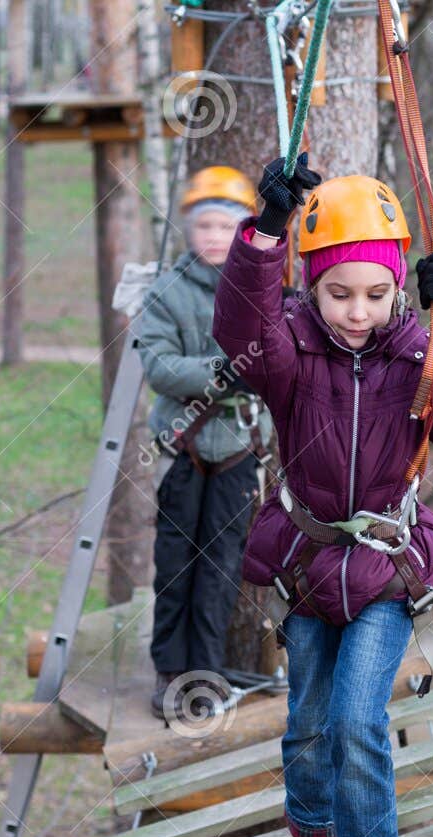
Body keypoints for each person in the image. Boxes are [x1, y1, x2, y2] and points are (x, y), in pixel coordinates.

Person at [212, 152, 433, 837]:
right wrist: (265, 235)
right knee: (307, 720)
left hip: (382, 568)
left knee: (354, 717)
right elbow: (240, 333)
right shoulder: (288, 352)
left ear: (398, 290)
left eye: (377, 294)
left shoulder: (416, 350)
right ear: (310, 286)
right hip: (309, 566)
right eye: (339, 293)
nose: (356, 311)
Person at [135, 166, 276, 722]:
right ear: (189, 231)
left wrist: (255, 370)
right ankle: (170, 671)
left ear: (243, 229)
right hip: (183, 451)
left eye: (227, 225)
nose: (216, 236)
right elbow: (159, 365)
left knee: (220, 567)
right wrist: (223, 372)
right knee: (175, 564)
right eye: (206, 225)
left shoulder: (257, 290)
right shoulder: (167, 292)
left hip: (239, 450)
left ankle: (206, 673)